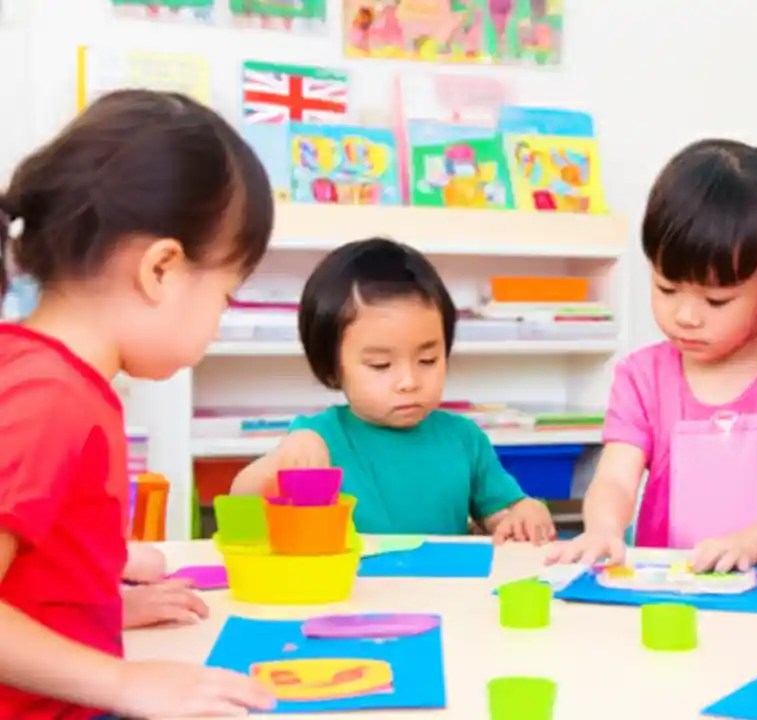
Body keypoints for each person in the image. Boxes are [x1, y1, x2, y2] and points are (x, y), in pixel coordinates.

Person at [0, 90, 277, 718]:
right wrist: (124, 683)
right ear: (162, 269)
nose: (217, 325)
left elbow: (28, 577)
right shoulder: (49, 397)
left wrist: (99, 606)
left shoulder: (40, 372)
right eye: (226, 298)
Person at [544, 126, 757, 572]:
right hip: (667, 595)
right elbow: (616, 479)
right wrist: (602, 529)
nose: (687, 316)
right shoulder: (642, 377)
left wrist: (750, 543)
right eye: (667, 287)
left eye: (716, 300)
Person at [230, 238, 555, 543]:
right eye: (380, 365)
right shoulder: (317, 437)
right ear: (331, 369)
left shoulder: (463, 438)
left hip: (444, 593)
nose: (409, 381)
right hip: (351, 592)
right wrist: (281, 461)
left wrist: (523, 514)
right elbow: (240, 498)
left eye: (428, 359)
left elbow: (501, 515)